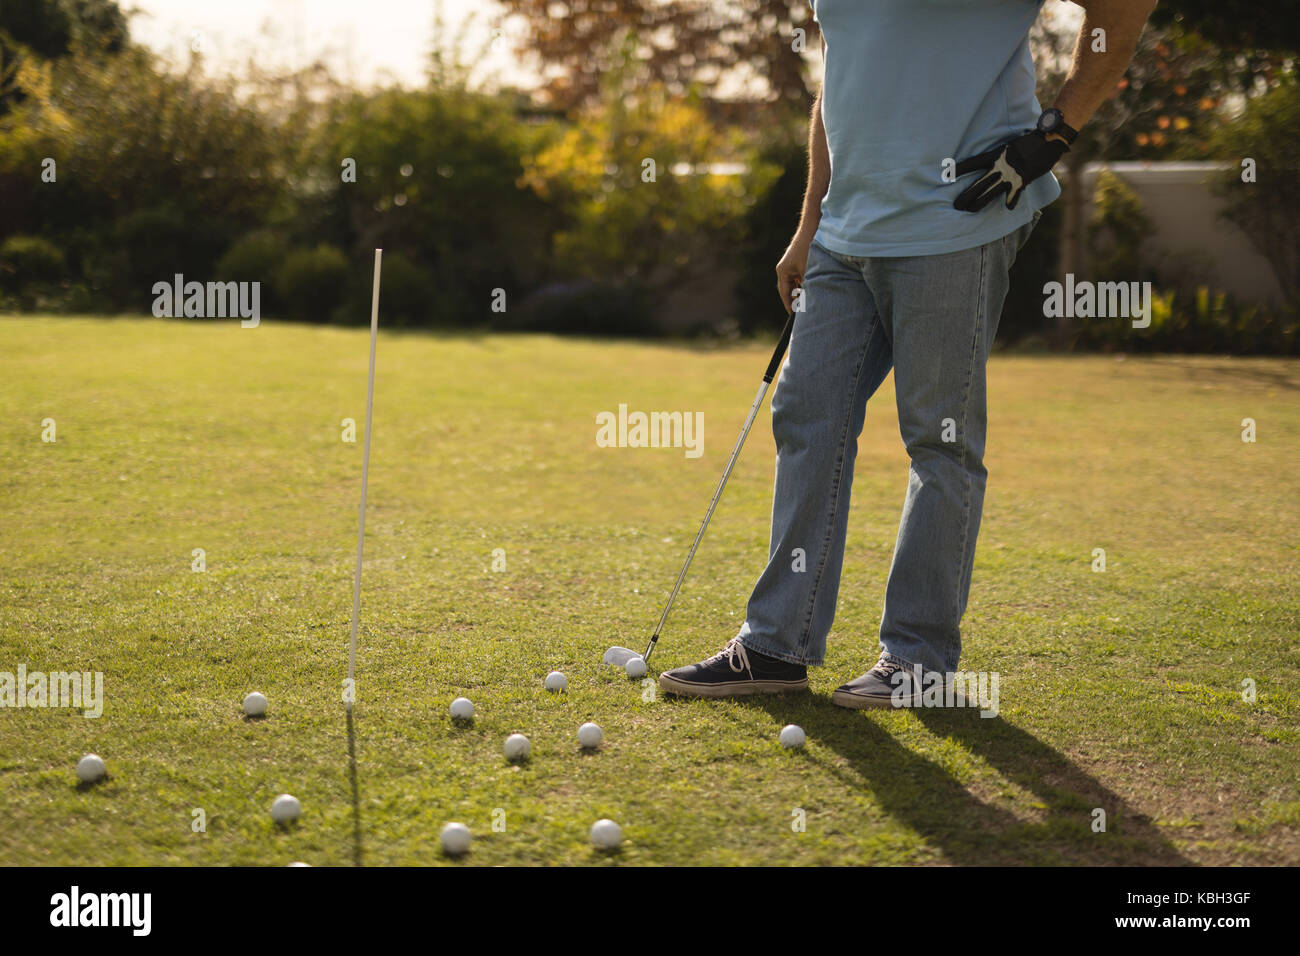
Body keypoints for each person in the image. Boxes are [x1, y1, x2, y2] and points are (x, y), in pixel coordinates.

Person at [659, 0, 1158, 706]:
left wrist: (1055, 131)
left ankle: (918, 660)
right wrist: (810, 221)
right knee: (807, 418)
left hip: (958, 219)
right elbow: (841, 76)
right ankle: (776, 645)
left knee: (938, 438)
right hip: (845, 232)